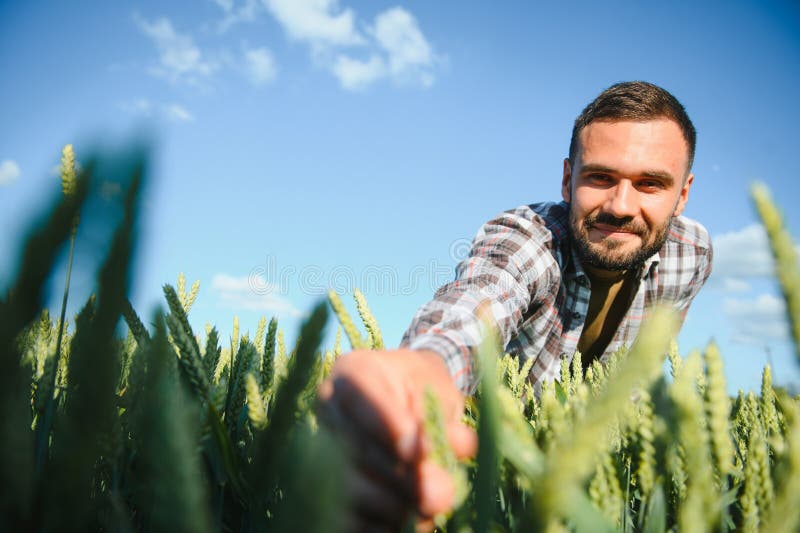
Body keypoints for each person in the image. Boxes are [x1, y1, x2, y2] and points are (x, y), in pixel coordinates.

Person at [318, 81, 713, 531]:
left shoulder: (693, 256)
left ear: (683, 194)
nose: (621, 206)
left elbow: (653, 355)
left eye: (650, 184)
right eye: (600, 177)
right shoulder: (528, 239)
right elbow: (475, 306)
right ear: (568, 180)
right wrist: (420, 380)